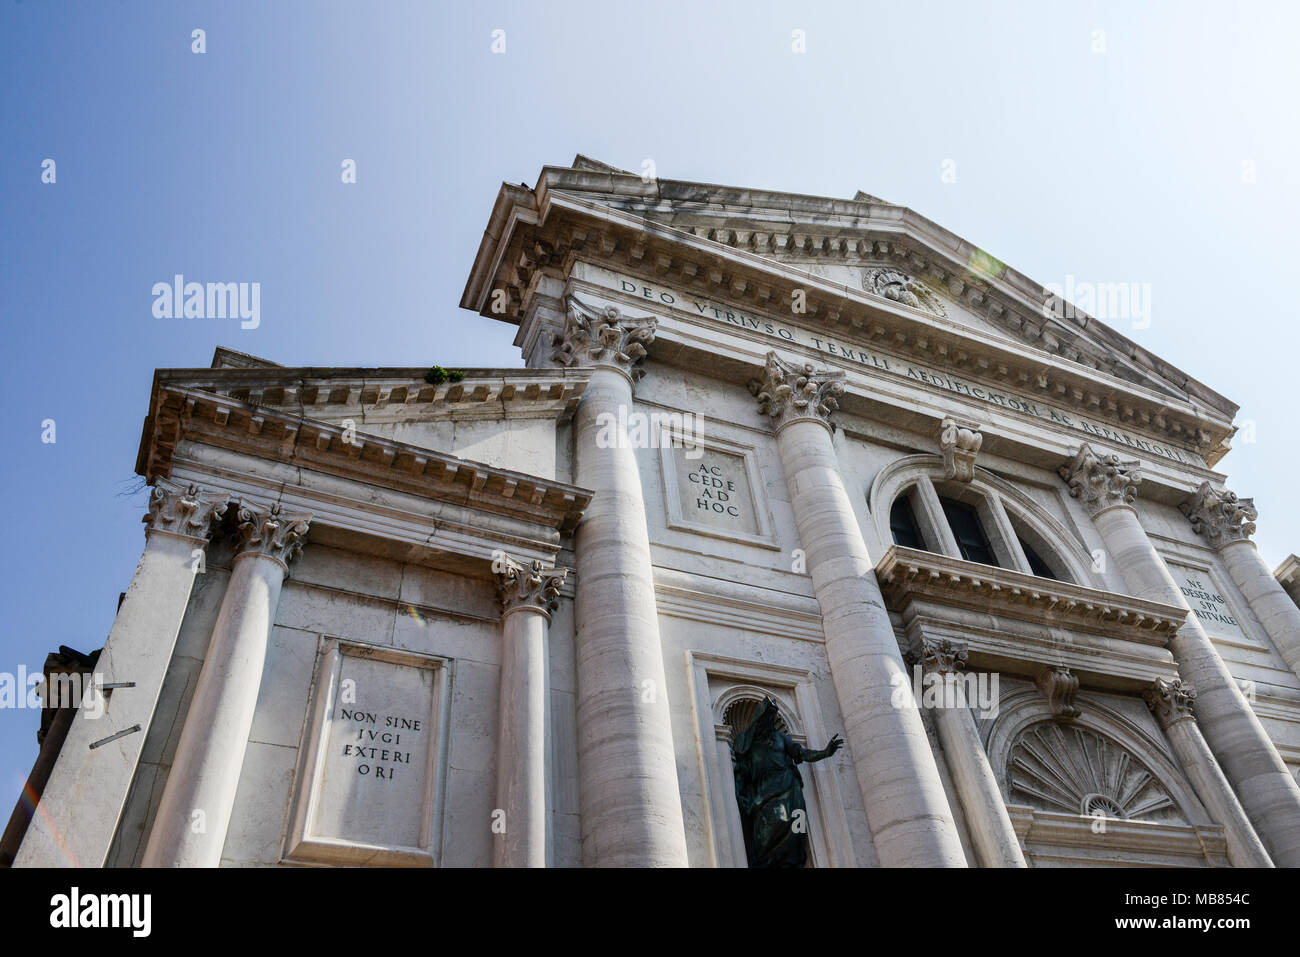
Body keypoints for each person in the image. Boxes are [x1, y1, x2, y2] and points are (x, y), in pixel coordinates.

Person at [731, 698, 843, 867]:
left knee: (797, 829)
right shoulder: (747, 745)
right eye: (766, 718)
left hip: (790, 790)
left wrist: (825, 753)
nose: (769, 722)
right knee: (770, 829)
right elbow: (742, 773)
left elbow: (802, 753)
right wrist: (743, 797)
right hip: (764, 797)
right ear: (758, 720)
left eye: (771, 718)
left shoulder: (781, 738)